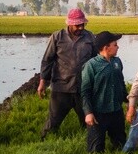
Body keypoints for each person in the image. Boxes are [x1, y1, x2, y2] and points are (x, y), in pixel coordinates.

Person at [38, 7, 97, 140]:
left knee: (88, 121)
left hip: (83, 88)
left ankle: (88, 144)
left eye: (83, 24)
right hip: (61, 88)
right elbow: (47, 60)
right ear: (69, 24)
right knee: (53, 121)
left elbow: (95, 60)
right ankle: (44, 142)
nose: (81, 27)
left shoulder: (90, 37)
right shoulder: (57, 37)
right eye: (77, 25)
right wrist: (42, 82)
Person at [80, 31, 127, 153]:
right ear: (106, 48)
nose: (118, 47)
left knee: (121, 144)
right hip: (98, 112)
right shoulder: (91, 65)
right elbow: (85, 91)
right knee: (95, 149)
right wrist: (88, 112)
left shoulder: (117, 62)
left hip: (116, 110)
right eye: (115, 44)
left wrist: (127, 101)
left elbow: (121, 83)